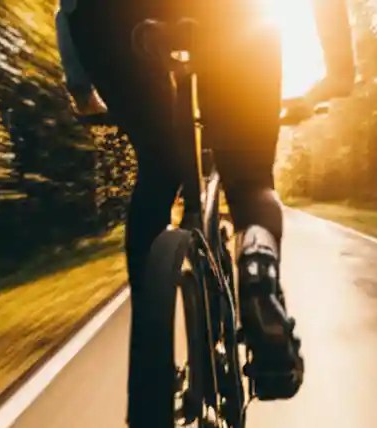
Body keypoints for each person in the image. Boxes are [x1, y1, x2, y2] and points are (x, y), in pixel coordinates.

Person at [61, 0, 355, 400]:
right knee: (250, 179)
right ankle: (257, 268)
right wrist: (339, 69)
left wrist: (81, 89)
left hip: (109, 19)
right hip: (230, 14)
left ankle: (152, 360)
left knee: (159, 167)